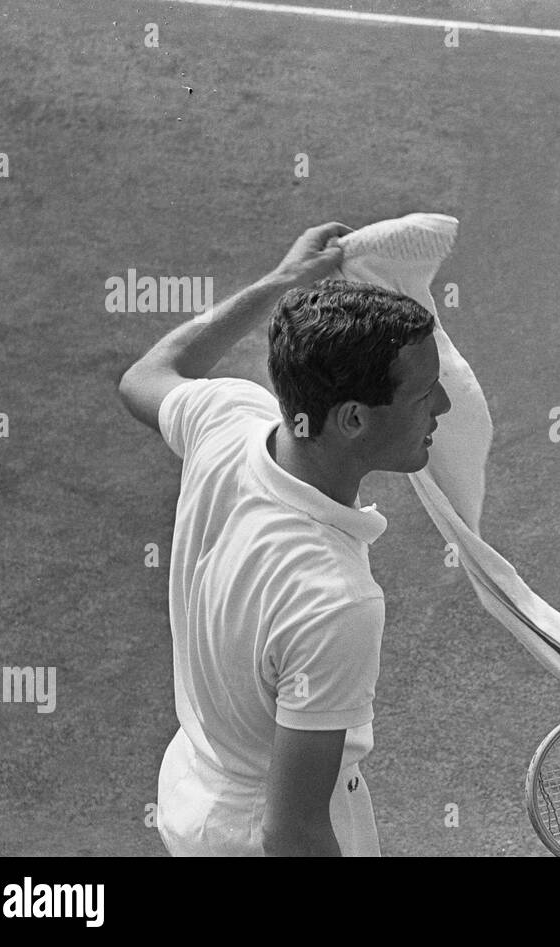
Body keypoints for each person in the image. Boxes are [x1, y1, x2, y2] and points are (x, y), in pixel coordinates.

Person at [118, 223, 451, 856]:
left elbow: (148, 375)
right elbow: (292, 832)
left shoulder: (224, 419)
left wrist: (280, 282)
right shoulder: (337, 602)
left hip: (194, 790)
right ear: (353, 419)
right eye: (422, 393)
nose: (443, 408)